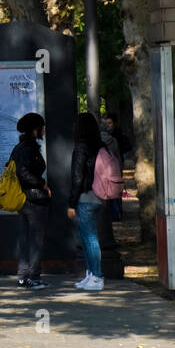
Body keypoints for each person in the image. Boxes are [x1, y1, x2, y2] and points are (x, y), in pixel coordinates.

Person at [12, 112, 49, 289]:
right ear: (35, 130)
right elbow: (23, 172)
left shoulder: (19, 147)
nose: (44, 130)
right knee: (36, 239)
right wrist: (42, 184)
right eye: (42, 127)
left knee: (24, 238)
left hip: (23, 198)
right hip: (33, 199)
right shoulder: (29, 148)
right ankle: (32, 276)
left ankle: (23, 275)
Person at [69, 112, 105, 291]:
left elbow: (77, 178)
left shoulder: (81, 147)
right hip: (99, 195)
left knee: (89, 238)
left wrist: (71, 203)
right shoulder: (100, 145)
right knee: (88, 237)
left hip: (85, 196)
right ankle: (91, 274)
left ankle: (97, 276)